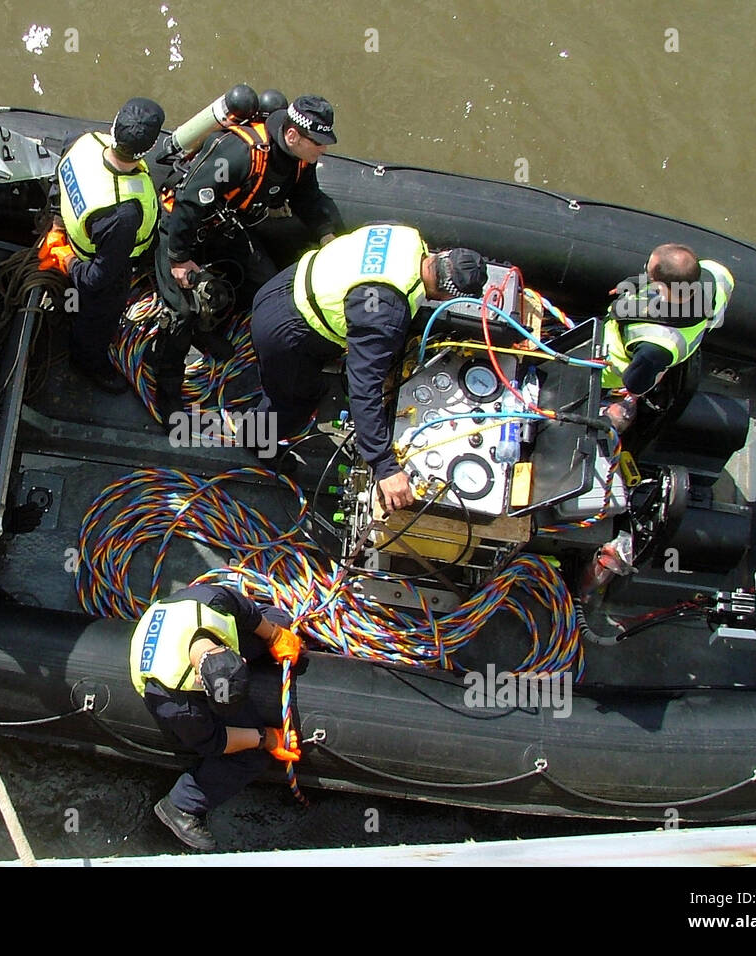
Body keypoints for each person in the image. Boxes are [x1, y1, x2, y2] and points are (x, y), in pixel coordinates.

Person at [247, 223, 489, 513]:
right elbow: (363, 389)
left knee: (303, 380)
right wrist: (385, 466)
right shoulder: (386, 312)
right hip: (285, 331)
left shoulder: (408, 236)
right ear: (448, 295)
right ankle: (254, 437)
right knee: (297, 399)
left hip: (285, 284)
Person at [151, 94, 345, 425]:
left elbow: (308, 197)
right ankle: (167, 386)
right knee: (181, 312)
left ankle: (209, 327)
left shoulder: (301, 160)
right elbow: (189, 201)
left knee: (266, 285)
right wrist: (179, 259)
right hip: (180, 228)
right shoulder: (239, 153)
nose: (323, 149)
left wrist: (328, 233)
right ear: (293, 135)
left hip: (223, 224)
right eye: (318, 142)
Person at [129, 583, 302, 851]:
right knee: (250, 757)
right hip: (171, 685)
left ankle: (273, 633)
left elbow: (244, 609)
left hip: (183, 628)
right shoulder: (176, 703)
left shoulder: (210, 601)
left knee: (278, 619)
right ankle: (181, 805)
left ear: (235, 657)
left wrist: (274, 635)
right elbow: (214, 741)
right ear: (201, 680)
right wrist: (266, 738)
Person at [41, 97, 165, 394]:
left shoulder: (82, 142)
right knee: (97, 318)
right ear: (148, 149)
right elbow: (96, 279)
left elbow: (59, 180)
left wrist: (57, 226)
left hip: (78, 234)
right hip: (98, 265)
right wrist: (67, 258)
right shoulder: (123, 214)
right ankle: (87, 361)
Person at [600, 242, 734, 429]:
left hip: (608, 367)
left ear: (660, 286)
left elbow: (635, 385)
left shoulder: (655, 345)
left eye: (649, 271)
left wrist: (630, 395)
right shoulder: (716, 274)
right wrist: (636, 283)